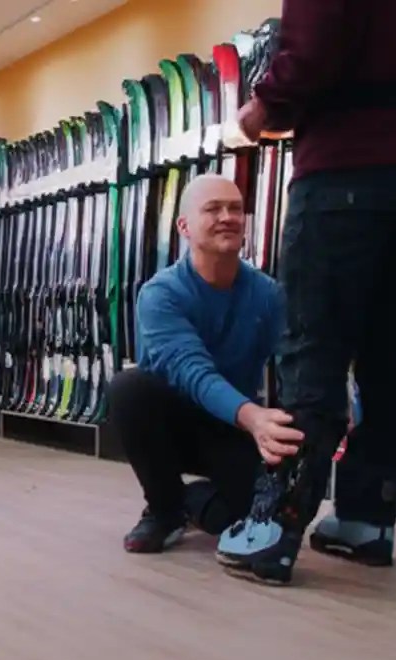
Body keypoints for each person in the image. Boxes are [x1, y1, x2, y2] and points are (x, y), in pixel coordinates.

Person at [215, 0, 396, 584]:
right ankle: (367, 521)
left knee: (311, 351)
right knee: (385, 349)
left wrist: (261, 106)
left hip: (345, 177)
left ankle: (275, 528)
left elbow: (313, 45)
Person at [108, 173, 299, 554]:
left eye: (235, 208)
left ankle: (189, 503)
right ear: (184, 226)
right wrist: (254, 417)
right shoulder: (160, 294)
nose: (227, 216)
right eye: (213, 209)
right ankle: (163, 509)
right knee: (128, 389)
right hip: (171, 425)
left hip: (229, 427)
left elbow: (296, 356)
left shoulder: (267, 294)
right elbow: (192, 371)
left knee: (256, 514)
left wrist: (335, 398)